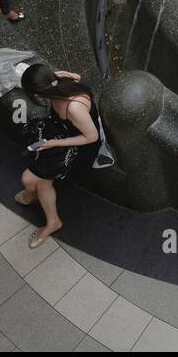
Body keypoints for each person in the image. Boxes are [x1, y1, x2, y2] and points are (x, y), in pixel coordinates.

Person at [15, 63, 103, 248]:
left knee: (29, 180)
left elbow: (92, 136)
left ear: (38, 93)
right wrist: (65, 74)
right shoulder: (60, 81)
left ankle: (52, 221)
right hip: (63, 133)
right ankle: (37, 196)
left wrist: (54, 143)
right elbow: (78, 77)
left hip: (78, 148)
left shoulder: (74, 108)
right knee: (35, 177)